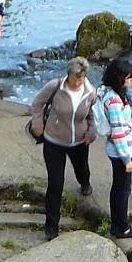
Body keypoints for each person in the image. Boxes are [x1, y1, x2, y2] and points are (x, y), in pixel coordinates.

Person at [29, 56, 96, 241]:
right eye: (75, 78)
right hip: (54, 141)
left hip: (79, 142)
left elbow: (92, 114)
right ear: (69, 74)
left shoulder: (90, 92)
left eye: (81, 78)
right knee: (55, 183)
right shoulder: (55, 87)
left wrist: (92, 131)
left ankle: (85, 183)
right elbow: (37, 104)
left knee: (82, 169)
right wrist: (37, 123)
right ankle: (51, 226)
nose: (77, 82)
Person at [98, 57, 132, 239]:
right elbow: (117, 131)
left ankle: (118, 224)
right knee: (122, 190)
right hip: (119, 151)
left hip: (117, 149)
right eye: (129, 77)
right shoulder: (114, 101)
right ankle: (122, 227)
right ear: (120, 78)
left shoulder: (106, 91)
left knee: (118, 188)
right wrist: (126, 159)